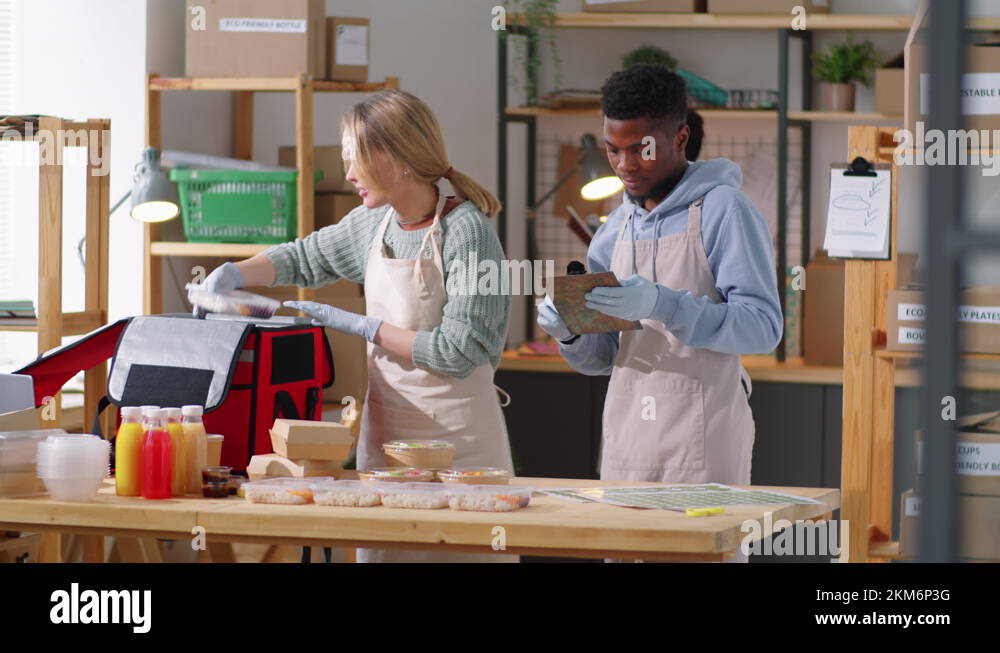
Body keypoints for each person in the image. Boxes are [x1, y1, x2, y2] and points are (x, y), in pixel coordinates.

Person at [197, 90, 516, 563]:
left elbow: (458, 351)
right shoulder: (375, 224)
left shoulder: (468, 234)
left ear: (395, 157)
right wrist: (239, 271)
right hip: (387, 446)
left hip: (462, 456)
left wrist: (366, 326)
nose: (347, 174)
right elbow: (307, 257)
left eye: (355, 159)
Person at [537, 65, 782, 557]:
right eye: (613, 149)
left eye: (641, 147)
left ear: (681, 136)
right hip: (627, 442)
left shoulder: (723, 210)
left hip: (705, 442)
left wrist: (663, 305)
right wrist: (570, 334)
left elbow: (763, 327)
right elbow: (603, 357)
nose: (625, 164)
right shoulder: (612, 231)